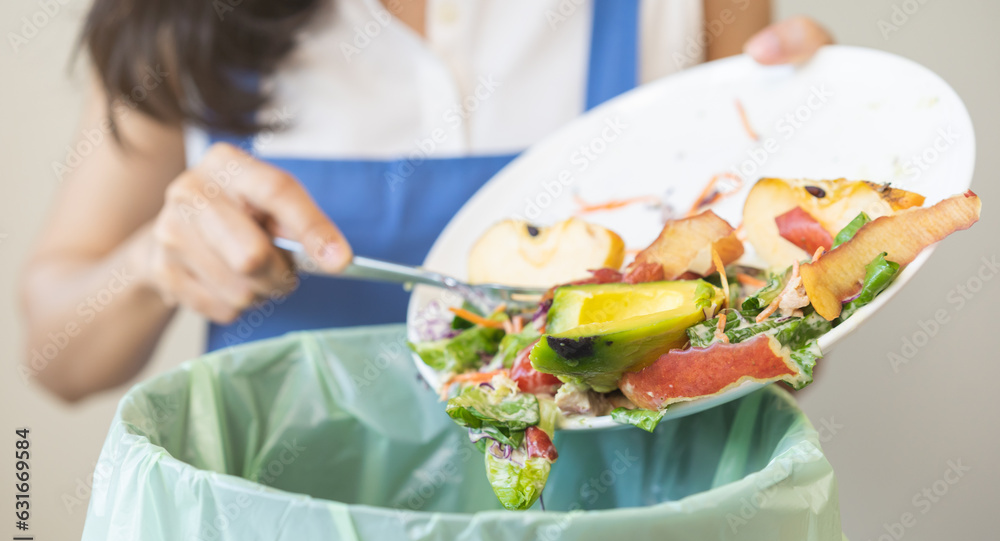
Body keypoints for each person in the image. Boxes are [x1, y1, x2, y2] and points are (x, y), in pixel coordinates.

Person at [19, 0, 832, 401]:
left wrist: (811, 212)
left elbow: (782, 364)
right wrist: (149, 267)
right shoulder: (177, 21)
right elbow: (55, 356)